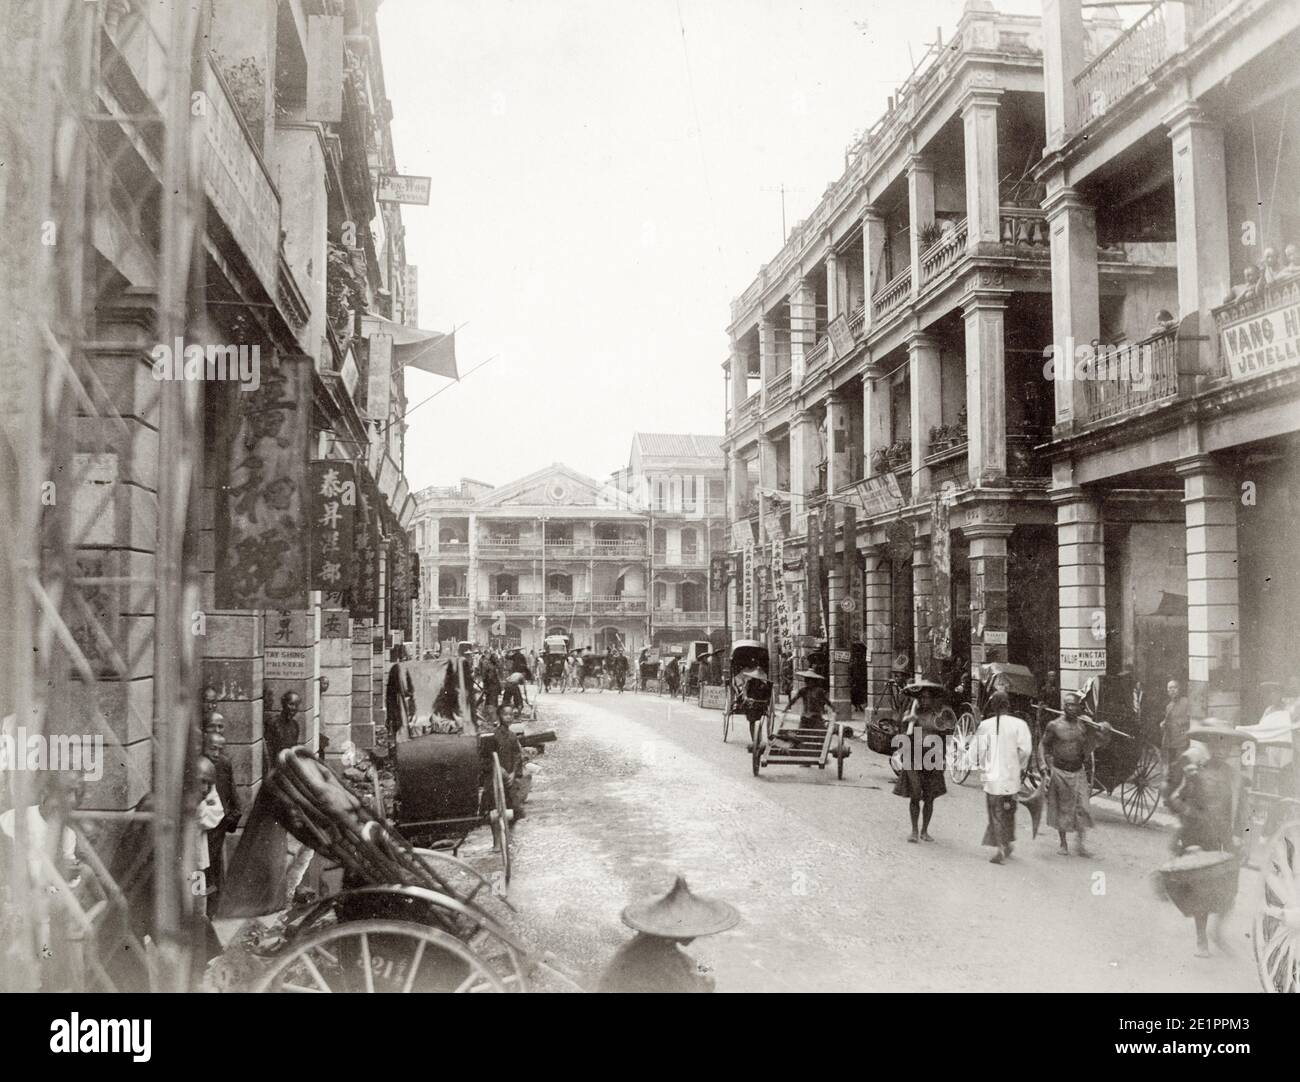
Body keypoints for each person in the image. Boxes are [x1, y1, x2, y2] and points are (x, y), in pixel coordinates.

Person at [1166, 720, 1252, 957]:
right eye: (1218, 743)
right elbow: (1175, 800)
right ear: (1211, 745)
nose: (1222, 748)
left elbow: (1244, 811)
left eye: (1227, 744)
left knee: (1229, 892)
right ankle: (1201, 939)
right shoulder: (1196, 772)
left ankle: (1218, 933)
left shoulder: (1236, 777)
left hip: (1226, 838)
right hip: (1199, 837)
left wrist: (1243, 837)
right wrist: (1189, 809)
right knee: (1201, 892)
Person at [599, 876, 738, 993]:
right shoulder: (663, 961)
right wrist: (705, 982)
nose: (693, 935)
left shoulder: (641, 945)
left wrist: (704, 972)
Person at [1041, 690, 1111, 857]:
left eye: (1075, 705)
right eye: (1068, 705)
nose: (1072, 708)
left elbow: (1101, 742)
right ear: (1064, 707)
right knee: (1062, 810)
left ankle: (1080, 845)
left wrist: (1105, 729)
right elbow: (1043, 746)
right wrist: (1045, 767)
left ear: (1079, 707)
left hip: (1078, 771)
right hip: (1059, 771)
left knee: (1084, 808)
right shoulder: (1054, 725)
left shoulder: (1084, 725)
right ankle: (1063, 843)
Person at [892, 679, 955, 843]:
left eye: (928, 698)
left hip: (932, 759)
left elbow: (946, 734)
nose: (924, 700)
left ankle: (924, 831)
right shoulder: (911, 716)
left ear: (932, 700)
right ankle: (914, 830)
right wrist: (908, 722)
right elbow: (902, 735)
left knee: (929, 797)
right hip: (914, 758)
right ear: (918, 700)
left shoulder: (938, 717)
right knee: (915, 793)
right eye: (922, 698)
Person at [975, 691, 1032, 864]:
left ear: (993, 706)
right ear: (1008, 705)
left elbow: (979, 751)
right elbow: (1026, 751)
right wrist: (1018, 766)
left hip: (993, 777)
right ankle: (1006, 843)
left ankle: (1000, 847)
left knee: (996, 811)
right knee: (1009, 810)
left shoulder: (985, 725)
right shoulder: (1020, 724)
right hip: (1012, 776)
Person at [1160, 678, 1192, 798]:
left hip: (1182, 741)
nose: (1172, 690)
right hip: (1171, 742)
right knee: (1172, 769)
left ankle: (1183, 794)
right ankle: (1173, 794)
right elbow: (1169, 720)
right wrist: (1163, 723)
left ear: (1179, 689)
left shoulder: (1186, 702)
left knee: (1181, 768)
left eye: (1174, 688)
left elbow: (1190, 719)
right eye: (1169, 688)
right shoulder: (1169, 706)